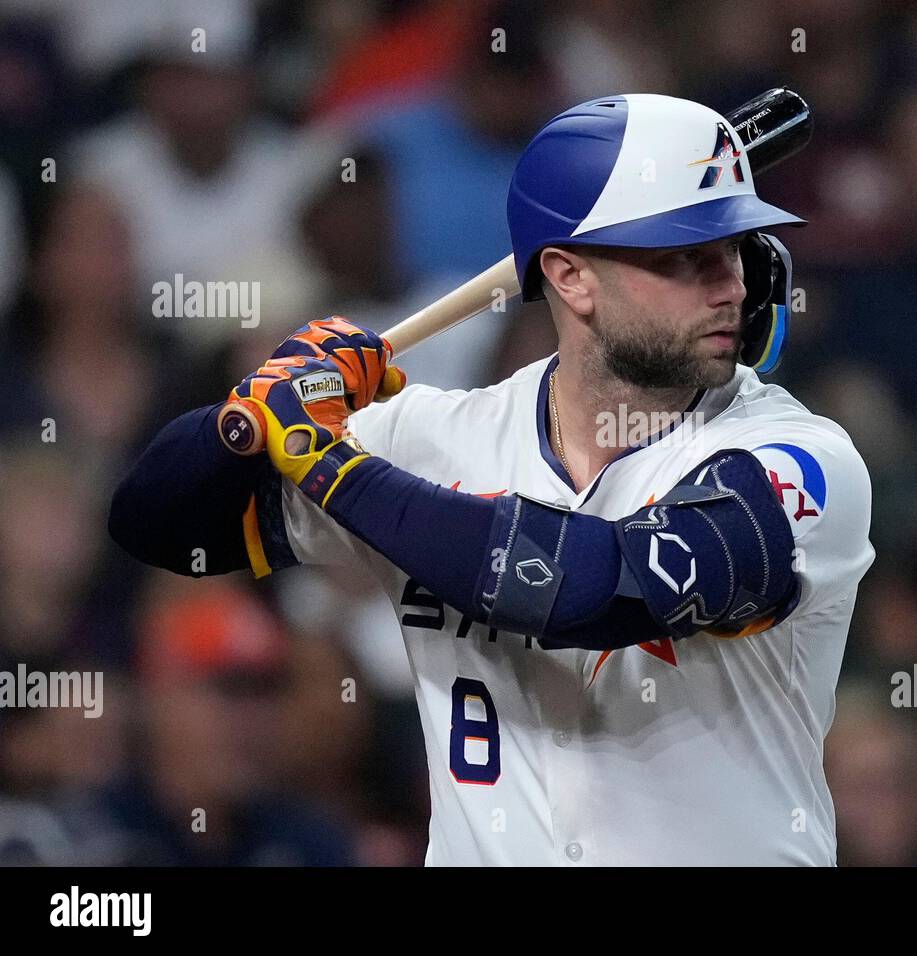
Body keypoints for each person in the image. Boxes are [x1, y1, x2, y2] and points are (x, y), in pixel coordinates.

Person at [110, 94, 875, 865]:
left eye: (737, 248)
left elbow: (590, 586)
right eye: (685, 256)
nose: (733, 285)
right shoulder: (433, 437)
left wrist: (333, 466)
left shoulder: (799, 459)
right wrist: (250, 413)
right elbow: (158, 523)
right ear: (571, 278)